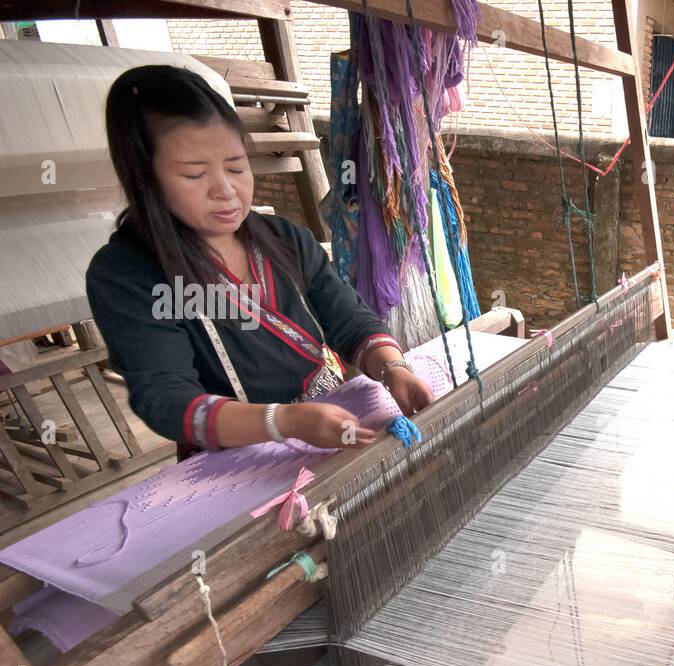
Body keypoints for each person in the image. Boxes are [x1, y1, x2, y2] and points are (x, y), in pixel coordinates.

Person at [87, 64, 434, 456]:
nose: (226, 190)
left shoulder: (282, 238)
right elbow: (168, 398)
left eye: (236, 166)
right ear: (146, 180)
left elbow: (347, 318)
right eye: (194, 175)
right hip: (237, 457)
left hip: (329, 419)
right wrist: (285, 421)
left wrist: (393, 370)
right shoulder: (126, 274)